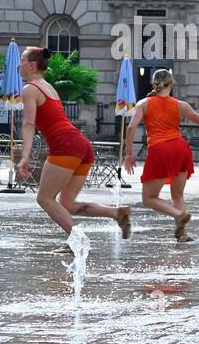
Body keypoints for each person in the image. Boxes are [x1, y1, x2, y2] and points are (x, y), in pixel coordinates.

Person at [15, 46, 130, 246]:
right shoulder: (48, 87)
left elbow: (29, 123)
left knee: (44, 198)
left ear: (32, 65)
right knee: (67, 204)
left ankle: (78, 241)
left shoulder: (30, 89)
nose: (19, 65)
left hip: (65, 146)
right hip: (81, 146)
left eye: (22, 61)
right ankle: (116, 213)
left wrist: (25, 156)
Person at [122, 69, 199, 241]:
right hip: (180, 148)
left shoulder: (143, 103)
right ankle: (182, 233)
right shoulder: (180, 105)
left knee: (149, 198)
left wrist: (129, 154)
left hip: (160, 149)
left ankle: (178, 215)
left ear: (154, 84)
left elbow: (131, 127)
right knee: (178, 195)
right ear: (171, 84)